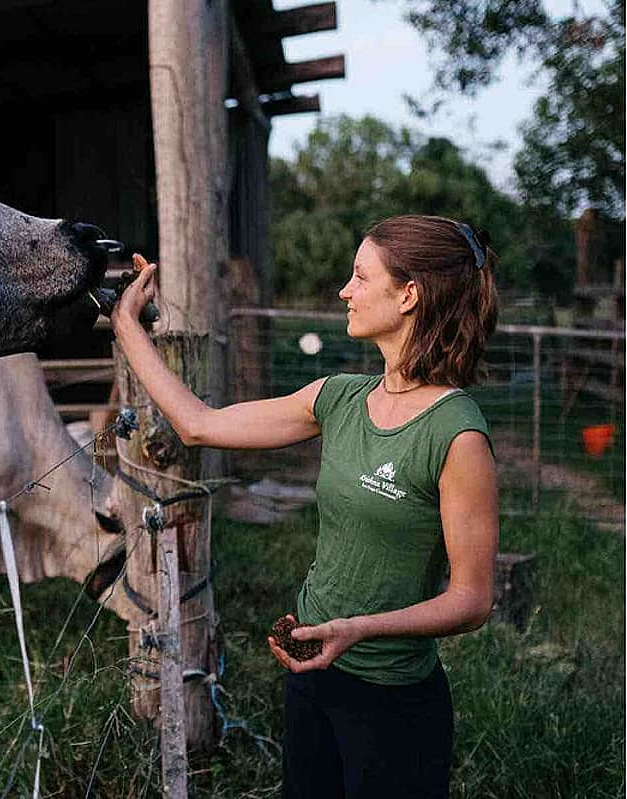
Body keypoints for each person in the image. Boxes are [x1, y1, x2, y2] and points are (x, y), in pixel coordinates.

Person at [109, 215, 500, 799]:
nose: (345, 290)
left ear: (409, 295)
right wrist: (126, 326)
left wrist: (358, 630)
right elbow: (197, 425)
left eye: (360, 277)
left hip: (394, 702)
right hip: (312, 676)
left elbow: (472, 600)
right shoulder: (337, 398)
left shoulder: (457, 434)